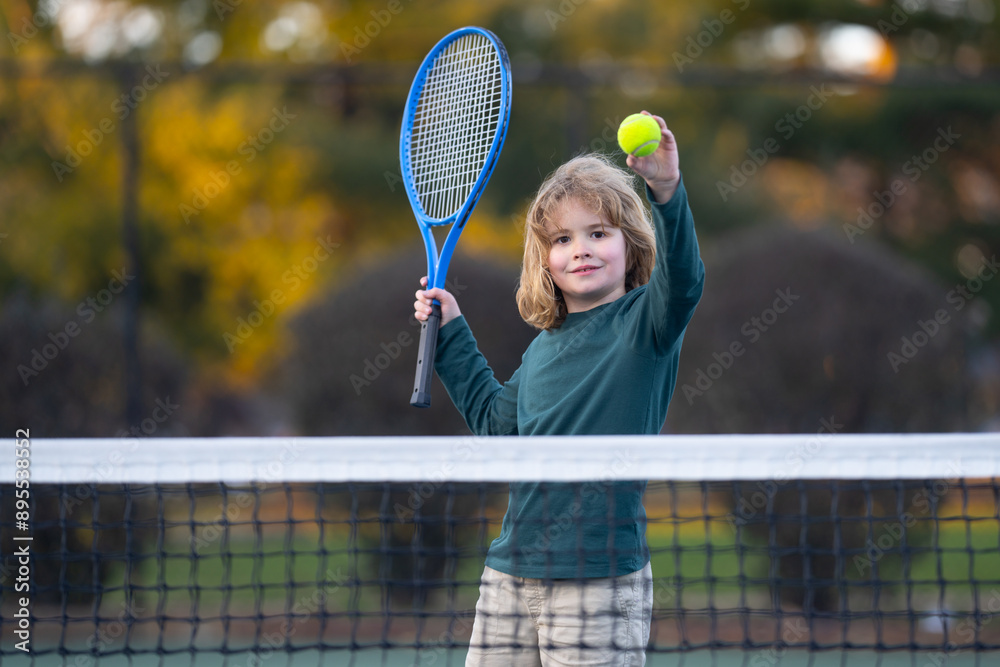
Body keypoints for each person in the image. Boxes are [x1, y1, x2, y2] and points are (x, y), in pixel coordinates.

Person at [413, 111, 705, 666]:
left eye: (599, 233)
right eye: (563, 239)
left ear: (630, 244)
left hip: (597, 580)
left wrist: (664, 189)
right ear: (545, 259)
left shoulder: (648, 323)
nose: (581, 249)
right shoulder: (543, 346)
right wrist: (450, 330)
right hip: (509, 573)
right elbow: (498, 427)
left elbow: (685, 279)